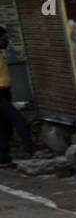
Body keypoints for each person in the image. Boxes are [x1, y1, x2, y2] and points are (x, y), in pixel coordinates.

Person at [0, 26, 37, 168]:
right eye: (3, 38)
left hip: (4, 92)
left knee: (4, 127)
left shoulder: (1, 53)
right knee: (19, 120)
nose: (6, 41)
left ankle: (3, 159)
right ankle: (33, 150)